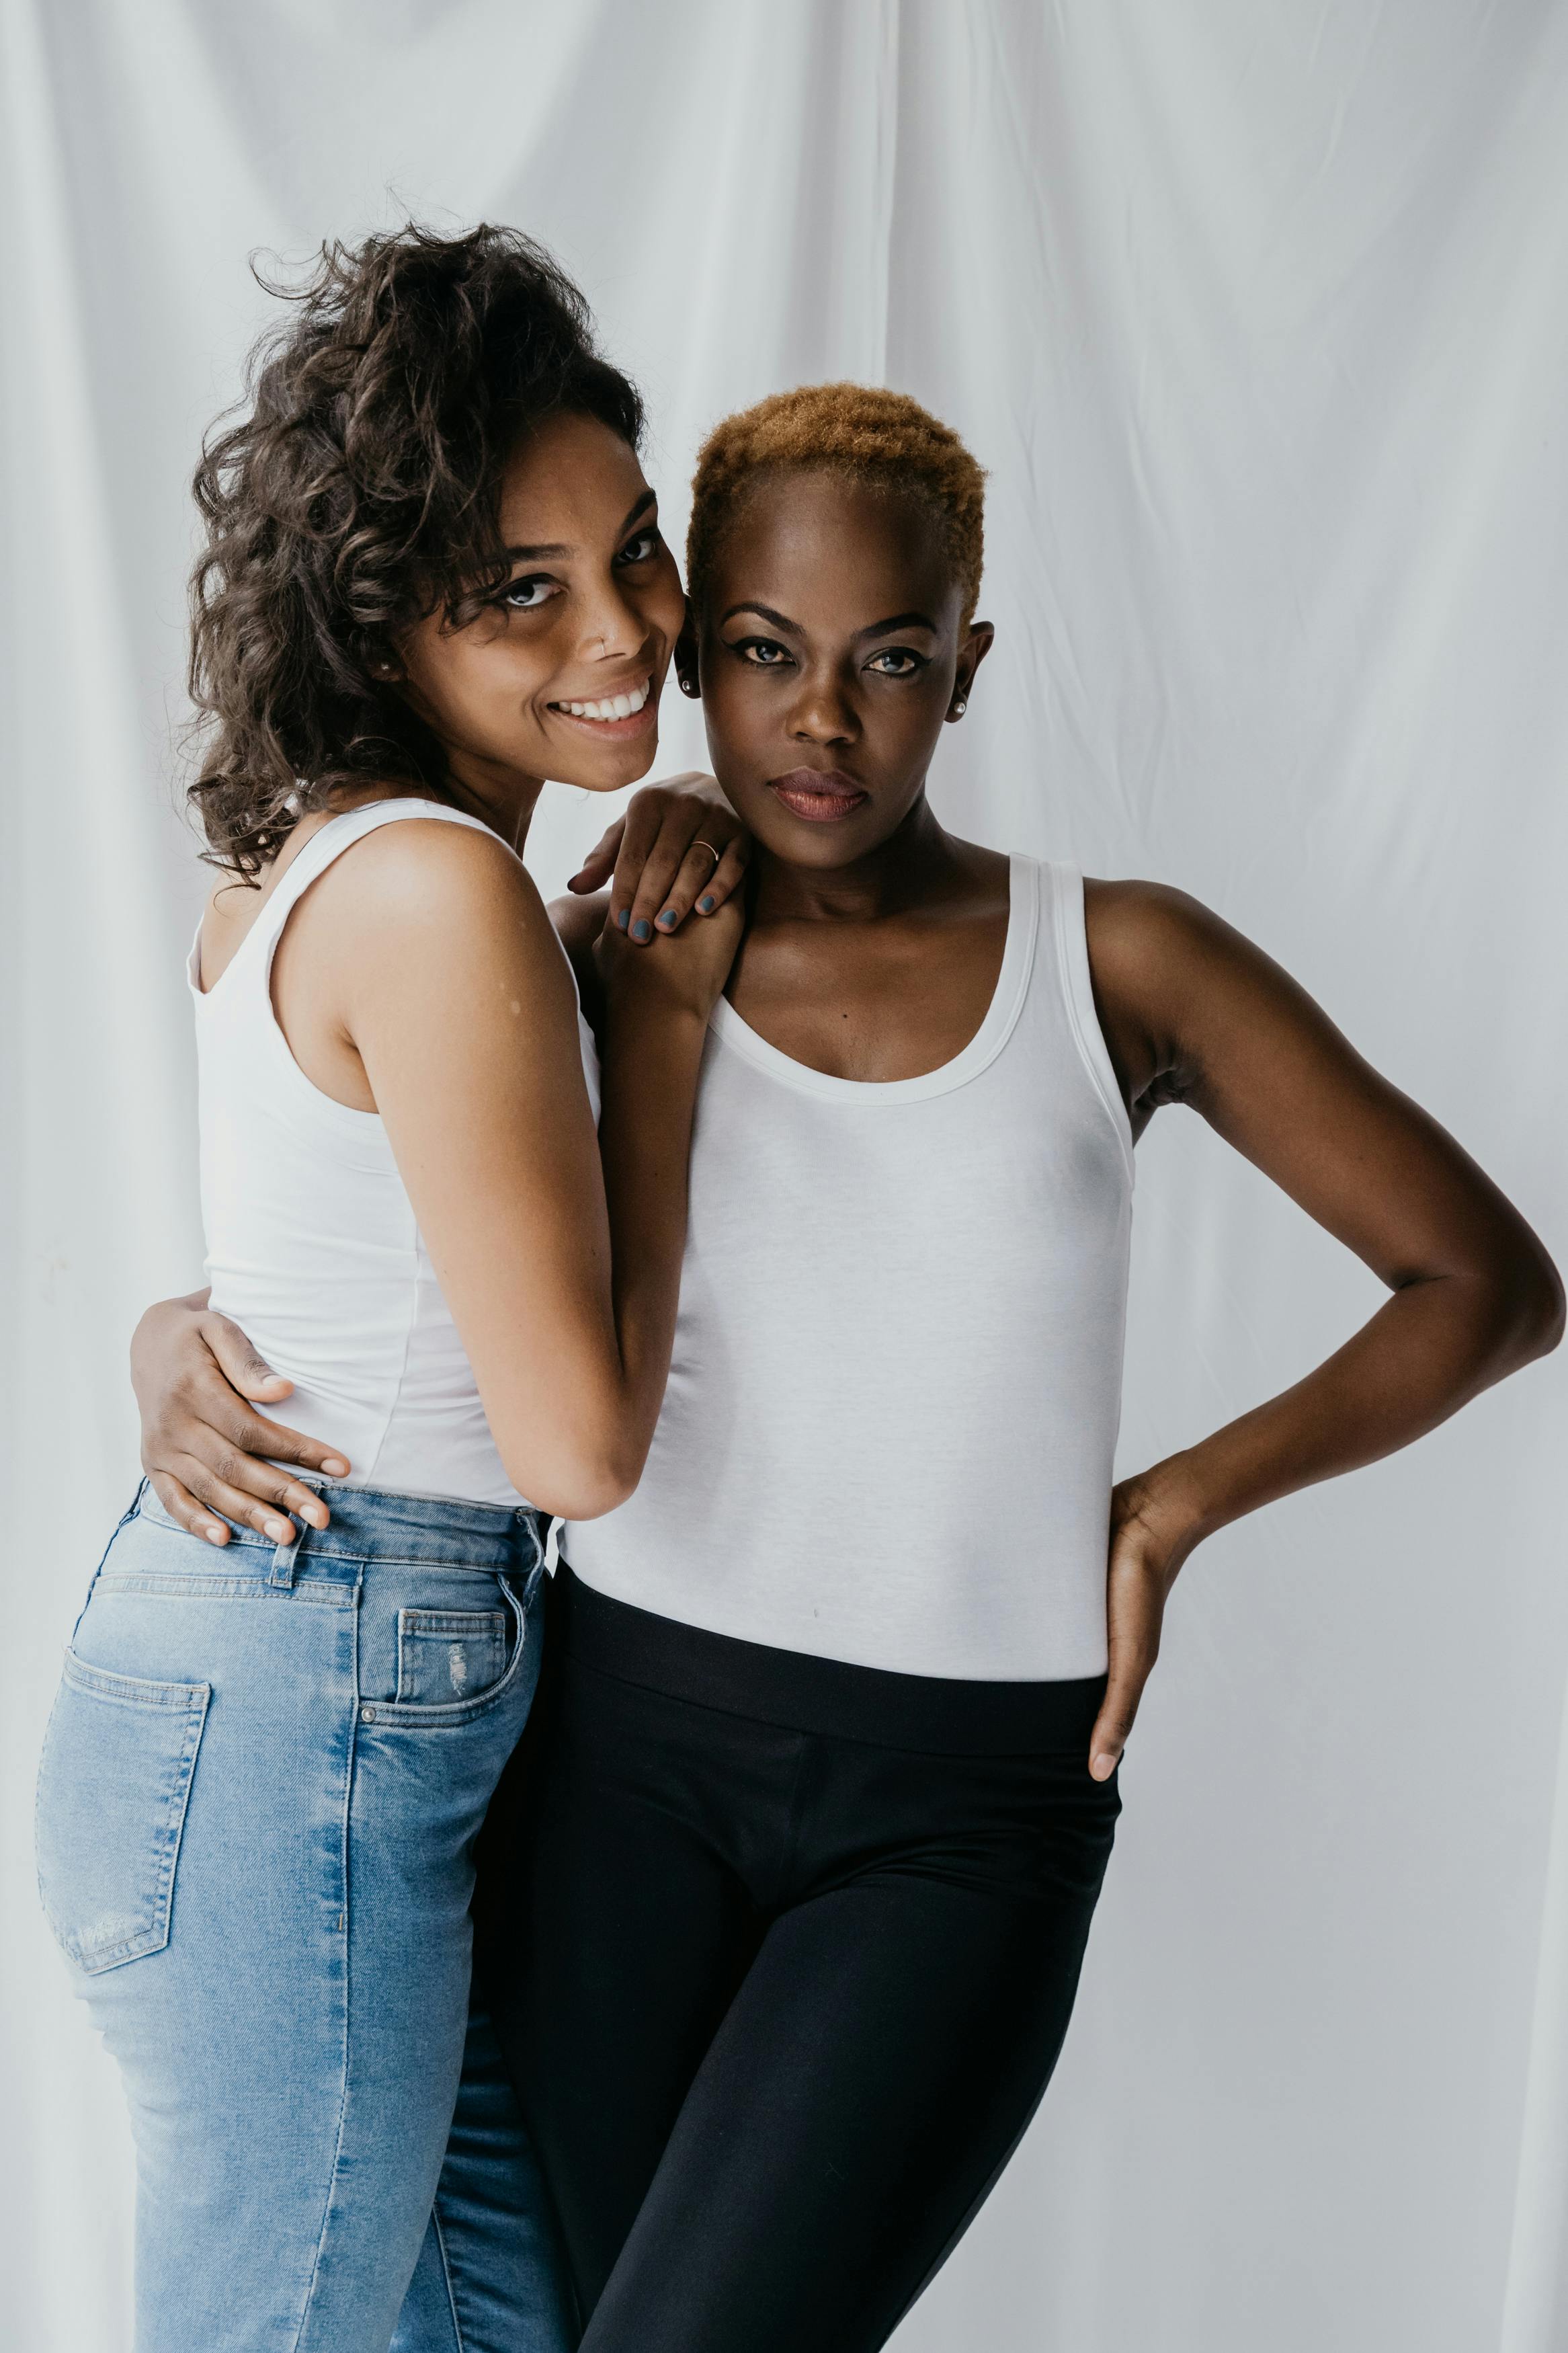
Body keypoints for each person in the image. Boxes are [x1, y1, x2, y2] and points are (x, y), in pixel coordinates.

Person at [130, 385, 1564, 2353]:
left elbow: (1482, 1280)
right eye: (766, 655)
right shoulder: (599, 948)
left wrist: (1170, 1507)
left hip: (964, 1815)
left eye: (891, 659)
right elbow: (371, 1195)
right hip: (618, 1774)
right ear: (705, 643)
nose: (823, 720)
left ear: (965, 665)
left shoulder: (1114, 963)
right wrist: (164, 1340)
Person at [33, 223, 746, 2353]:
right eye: (522, 589)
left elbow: (294, 1272)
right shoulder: (442, 895)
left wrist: (161, 1339)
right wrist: (668, 1040)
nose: (624, 631)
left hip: (269, 1673)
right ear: (382, 612)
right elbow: (578, 1444)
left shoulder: (326, 863)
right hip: (313, 1692)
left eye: (633, 551)